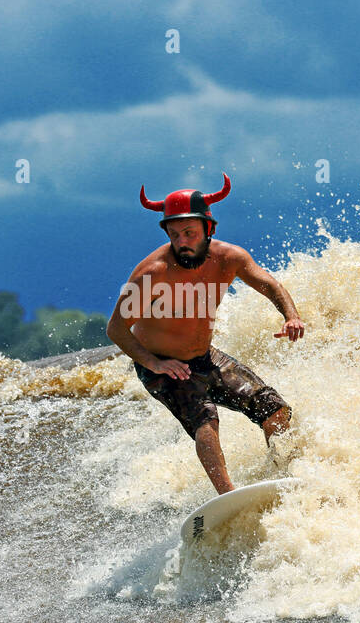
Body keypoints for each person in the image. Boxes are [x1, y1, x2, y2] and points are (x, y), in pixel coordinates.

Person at [107, 173, 304, 494]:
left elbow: (268, 283)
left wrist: (291, 316)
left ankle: (286, 476)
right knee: (206, 420)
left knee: (274, 408)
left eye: (189, 232)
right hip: (163, 366)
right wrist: (154, 364)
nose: (182, 242)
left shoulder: (230, 258)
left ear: (208, 229)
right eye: (174, 235)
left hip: (206, 358)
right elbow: (116, 328)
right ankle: (228, 497)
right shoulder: (152, 274)